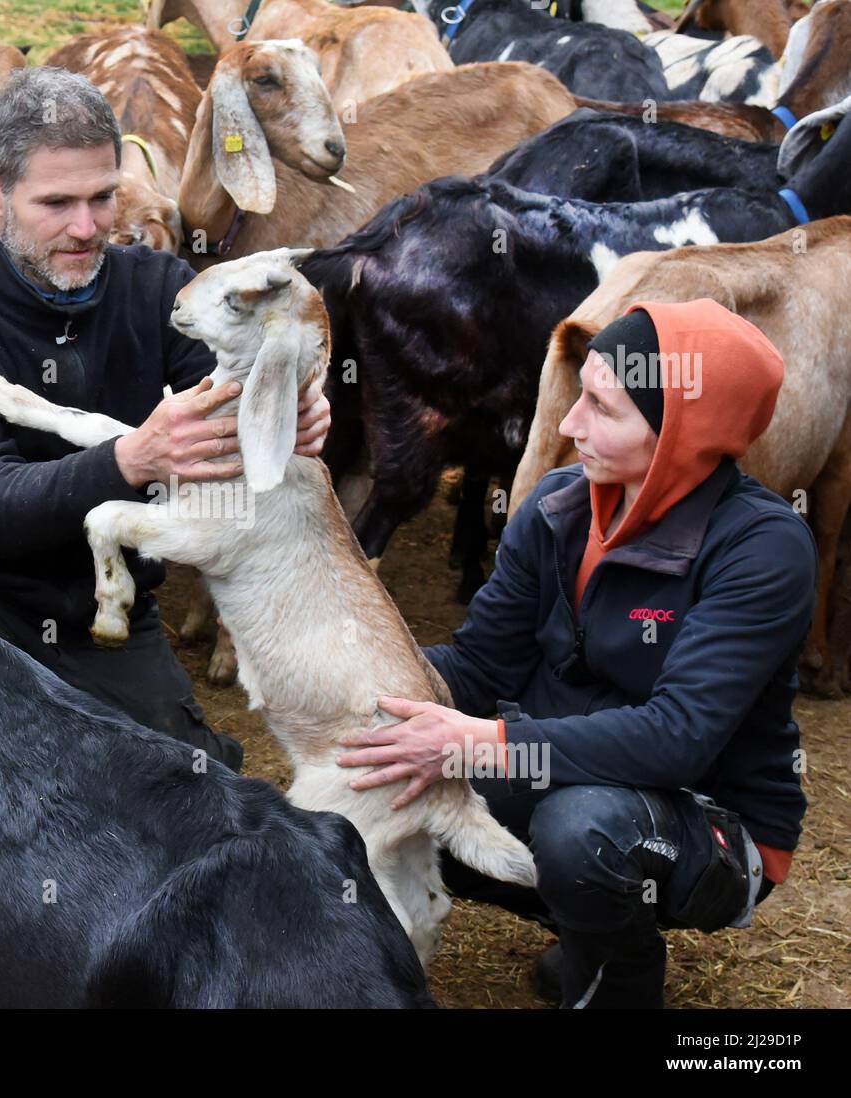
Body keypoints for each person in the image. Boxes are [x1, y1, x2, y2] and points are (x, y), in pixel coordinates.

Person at [337, 300, 816, 1008]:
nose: (568, 425)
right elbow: (479, 665)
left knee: (581, 833)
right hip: (575, 783)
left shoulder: (762, 550)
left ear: (682, 430)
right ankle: (590, 926)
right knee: (388, 771)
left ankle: (619, 985)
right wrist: (363, 690)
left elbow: (676, 738)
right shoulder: (560, 506)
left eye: (601, 406)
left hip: (714, 824)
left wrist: (477, 743)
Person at [0, 67, 331, 774]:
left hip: (101, 603)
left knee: (188, 786)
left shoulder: (164, 290)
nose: (86, 229)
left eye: (102, 197)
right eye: (56, 203)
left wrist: (291, 414)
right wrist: (134, 460)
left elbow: (236, 408)